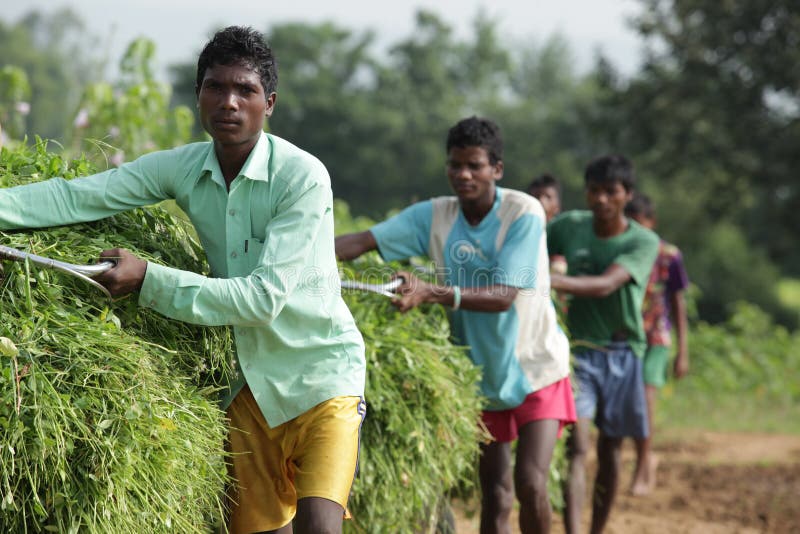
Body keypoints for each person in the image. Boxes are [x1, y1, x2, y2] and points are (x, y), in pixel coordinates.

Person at [0, 26, 366, 534]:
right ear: (198, 95)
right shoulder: (185, 167)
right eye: (216, 87)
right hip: (250, 387)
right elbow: (79, 196)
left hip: (322, 377)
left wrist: (149, 279)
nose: (229, 102)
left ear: (269, 103)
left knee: (320, 528)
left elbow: (263, 300)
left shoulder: (301, 178)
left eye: (245, 90)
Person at [336, 116, 576, 534]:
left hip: (535, 366)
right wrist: (299, 256)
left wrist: (430, 292)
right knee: (495, 493)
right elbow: (363, 241)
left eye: (474, 166)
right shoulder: (434, 215)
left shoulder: (523, 212)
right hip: (479, 375)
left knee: (531, 482)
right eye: (455, 165)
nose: (463, 175)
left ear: (496, 169)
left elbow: (504, 296)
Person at [547, 155, 659, 534]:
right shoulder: (568, 227)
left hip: (624, 354)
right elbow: (529, 244)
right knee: (577, 446)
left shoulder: (642, 241)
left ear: (627, 194)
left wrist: (550, 280)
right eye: (594, 191)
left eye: (611, 191)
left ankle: (597, 529)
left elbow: (606, 284)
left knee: (611, 448)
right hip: (577, 352)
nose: (602, 199)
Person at [624, 192, 690, 496]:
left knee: (645, 400)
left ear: (653, 223)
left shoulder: (668, 256)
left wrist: (682, 352)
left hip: (656, 337)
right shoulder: (622, 250)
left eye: (641, 224)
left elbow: (677, 303)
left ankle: (642, 465)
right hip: (626, 335)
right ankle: (645, 459)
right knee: (628, 405)